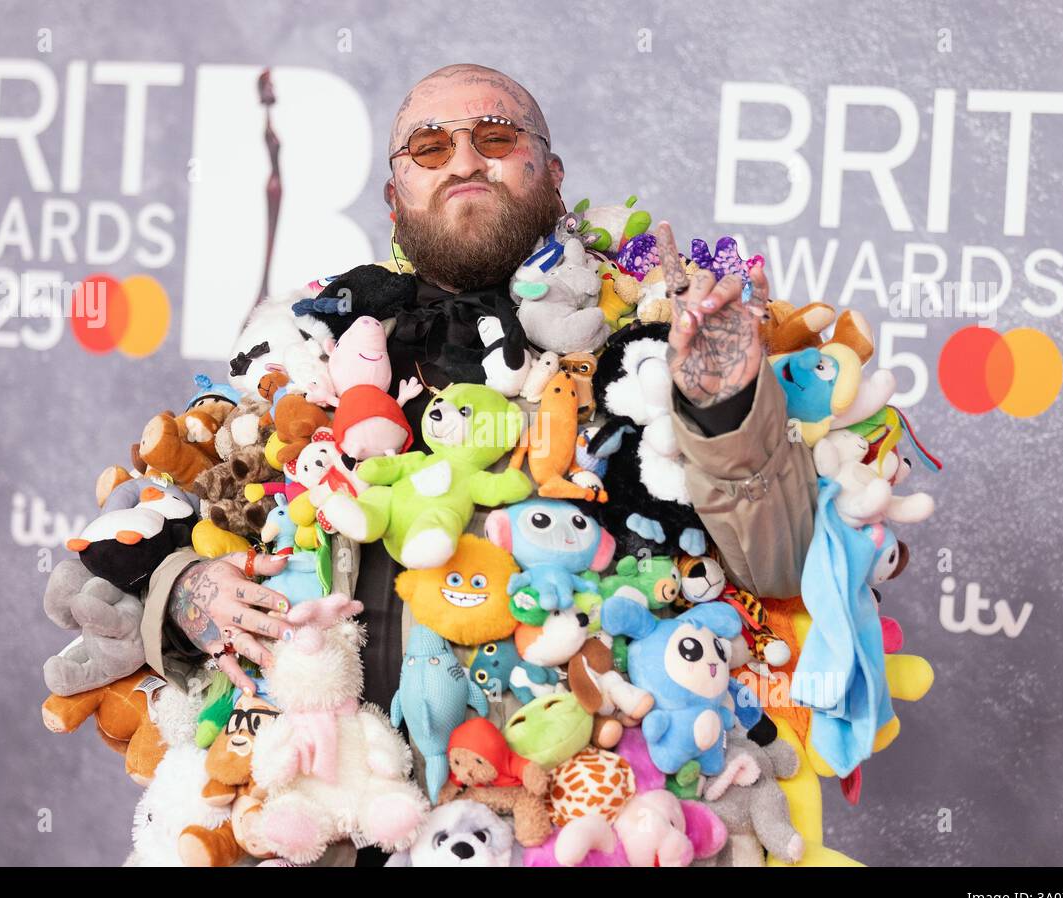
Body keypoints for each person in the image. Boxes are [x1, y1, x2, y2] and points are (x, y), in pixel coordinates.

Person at [139, 62, 816, 724]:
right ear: (395, 196)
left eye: (495, 136)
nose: (463, 162)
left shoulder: (648, 341)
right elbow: (153, 528)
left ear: (552, 176)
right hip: (329, 804)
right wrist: (183, 592)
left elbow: (782, 568)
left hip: (565, 812)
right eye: (430, 147)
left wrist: (725, 411)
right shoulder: (317, 343)